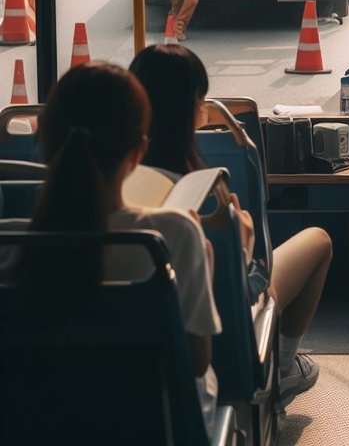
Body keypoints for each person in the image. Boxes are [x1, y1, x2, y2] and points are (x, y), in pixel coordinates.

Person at [8, 62, 222, 435]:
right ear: (138, 152)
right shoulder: (171, 236)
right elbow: (196, 362)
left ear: (43, 140)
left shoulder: (10, 243)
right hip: (159, 429)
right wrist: (204, 260)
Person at [129, 44, 333, 407]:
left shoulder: (107, 189)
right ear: (193, 110)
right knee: (318, 240)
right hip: (219, 332)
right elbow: (238, 286)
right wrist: (243, 245)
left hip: (135, 359)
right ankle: (284, 368)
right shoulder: (208, 197)